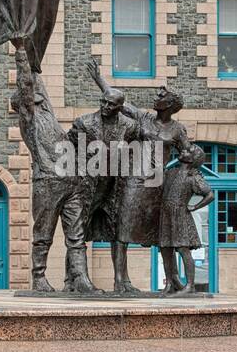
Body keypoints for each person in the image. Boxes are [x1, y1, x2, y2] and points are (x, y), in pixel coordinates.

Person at [84, 60, 191, 293]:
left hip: (157, 184)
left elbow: (189, 155)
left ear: (170, 104)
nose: (156, 97)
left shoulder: (178, 129)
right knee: (121, 230)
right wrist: (99, 79)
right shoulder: (143, 119)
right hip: (132, 181)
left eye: (161, 96)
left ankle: (173, 279)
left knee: (162, 234)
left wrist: (185, 177)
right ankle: (121, 280)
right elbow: (119, 103)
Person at [11, 48, 95, 292]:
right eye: (34, 97)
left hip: (71, 183)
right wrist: (22, 55)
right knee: (44, 233)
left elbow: (36, 82)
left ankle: (80, 279)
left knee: (77, 236)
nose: (39, 98)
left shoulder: (47, 112)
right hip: (47, 181)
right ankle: (39, 278)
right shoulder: (28, 119)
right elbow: (27, 84)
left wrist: (32, 51)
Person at [67, 78, 138, 293]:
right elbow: (66, 147)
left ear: (120, 107)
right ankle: (71, 280)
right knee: (77, 231)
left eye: (111, 104)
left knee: (118, 232)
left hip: (114, 187)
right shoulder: (84, 123)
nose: (106, 107)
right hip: (87, 187)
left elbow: (134, 148)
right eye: (104, 102)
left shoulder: (129, 126)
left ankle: (121, 281)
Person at [158, 144, 214, 294]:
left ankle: (190, 285)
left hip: (180, 214)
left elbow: (209, 195)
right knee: (165, 248)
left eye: (188, 151)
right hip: (166, 214)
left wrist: (194, 207)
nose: (183, 150)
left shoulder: (194, 176)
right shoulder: (171, 173)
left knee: (183, 248)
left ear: (193, 159)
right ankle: (170, 282)